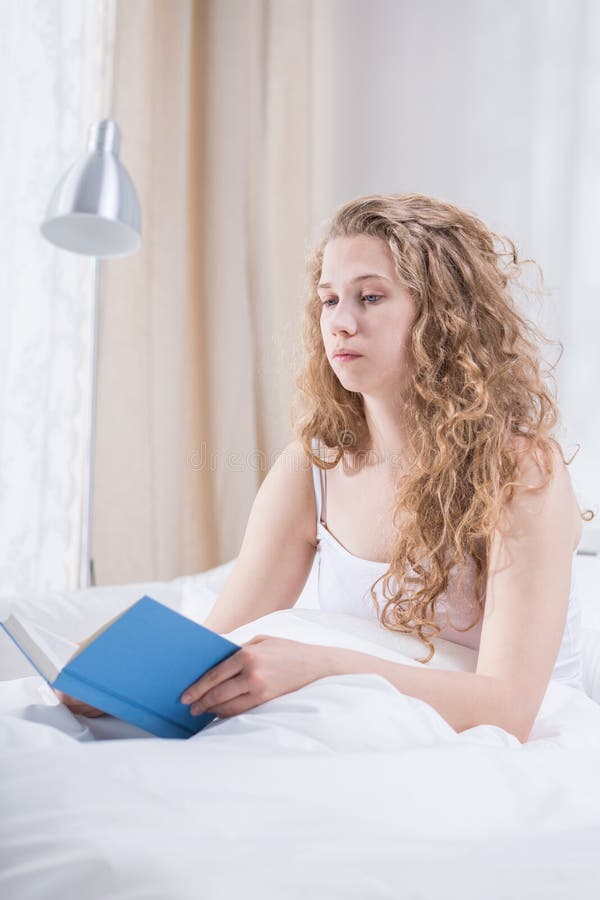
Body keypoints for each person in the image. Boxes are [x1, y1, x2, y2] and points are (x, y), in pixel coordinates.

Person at [57, 192, 593, 742]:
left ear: (445, 316)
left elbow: (509, 710)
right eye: (329, 300)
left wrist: (323, 665)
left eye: (370, 297)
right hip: (372, 726)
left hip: (514, 751)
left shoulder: (520, 472)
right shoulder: (312, 467)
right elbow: (215, 644)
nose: (340, 322)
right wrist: (113, 678)